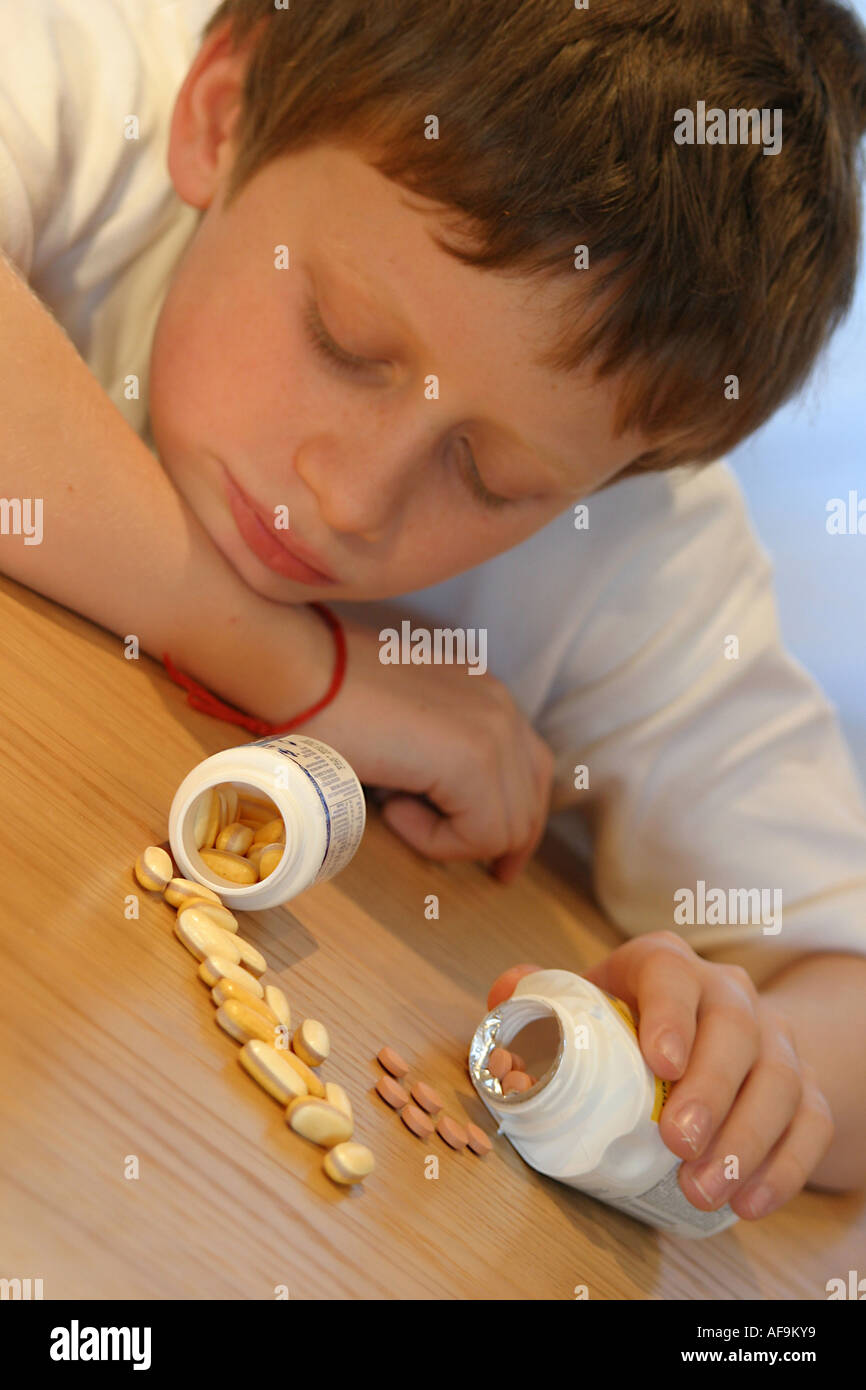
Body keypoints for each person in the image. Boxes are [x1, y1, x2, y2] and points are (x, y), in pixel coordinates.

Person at [1, 0, 865, 1225]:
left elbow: (841, 981)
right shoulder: (97, 79)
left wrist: (745, 1055)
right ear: (217, 116)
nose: (348, 498)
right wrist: (297, 665)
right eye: (342, 339)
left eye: (493, 480)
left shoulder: (634, 541)